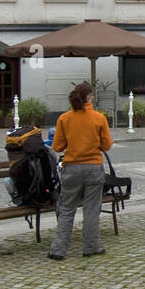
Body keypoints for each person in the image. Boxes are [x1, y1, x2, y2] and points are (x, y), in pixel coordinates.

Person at [48, 81, 113, 259]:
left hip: (72, 168)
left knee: (67, 208)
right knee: (91, 209)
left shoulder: (64, 118)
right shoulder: (99, 118)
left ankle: (58, 249)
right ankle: (90, 246)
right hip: (93, 167)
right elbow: (107, 145)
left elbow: (57, 146)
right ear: (90, 97)